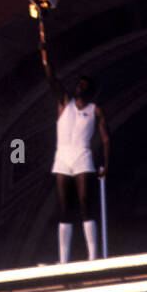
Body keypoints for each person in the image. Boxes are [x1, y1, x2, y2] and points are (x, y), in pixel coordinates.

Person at [38, 21, 110, 263]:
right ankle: (63, 260)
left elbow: (106, 138)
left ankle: (92, 255)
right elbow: (51, 77)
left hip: (83, 157)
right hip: (62, 157)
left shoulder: (95, 109)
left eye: (83, 85)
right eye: (78, 83)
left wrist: (106, 164)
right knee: (63, 208)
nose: (78, 86)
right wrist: (45, 54)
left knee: (84, 205)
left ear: (89, 91)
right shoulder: (64, 103)